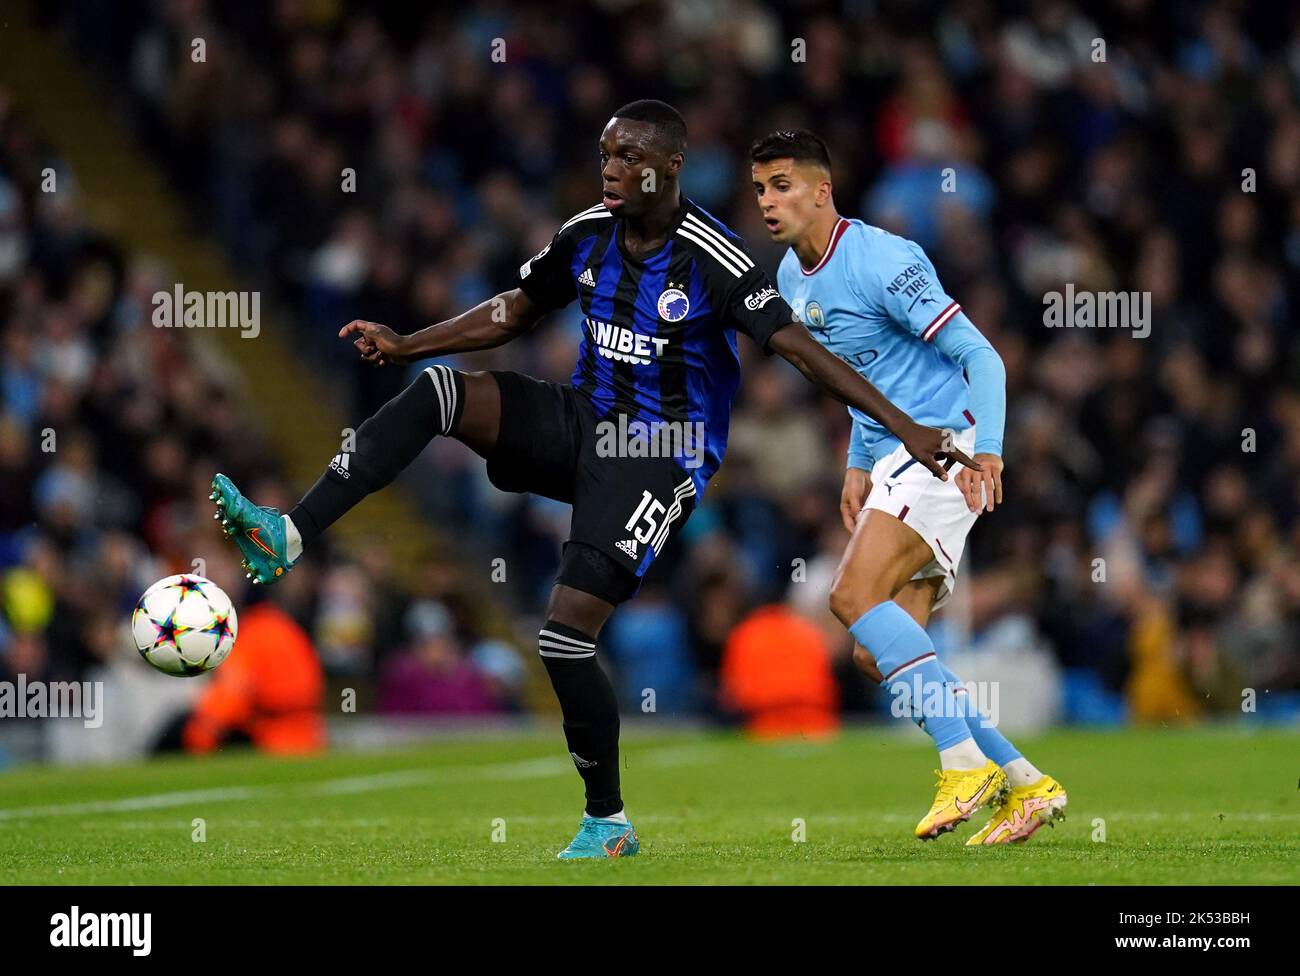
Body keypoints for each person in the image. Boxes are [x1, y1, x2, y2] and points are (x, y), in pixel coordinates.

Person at [209, 101, 973, 859]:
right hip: (585, 420)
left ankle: (606, 821)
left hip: (661, 451)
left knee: (563, 636)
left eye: (631, 156)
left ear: (672, 166)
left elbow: (800, 349)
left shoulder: (717, 256)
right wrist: (412, 343)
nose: (612, 168)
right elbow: (516, 309)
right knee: (442, 394)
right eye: (607, 152)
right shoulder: (585, 235)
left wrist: (903, 425)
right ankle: (291, 530)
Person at [751, 129, 1067, 844]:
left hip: (940, 448)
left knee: (848, 596)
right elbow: (863, 380)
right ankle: (1026, 784)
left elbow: (982, 357)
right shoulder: (790, 280)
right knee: (875, 650)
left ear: (821, 189)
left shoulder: (883, 259)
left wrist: (988, 450)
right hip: (893, 454)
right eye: (761, 189)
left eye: (783, 185)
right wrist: (858, 462)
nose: (769, 201)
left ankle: (962, 765)